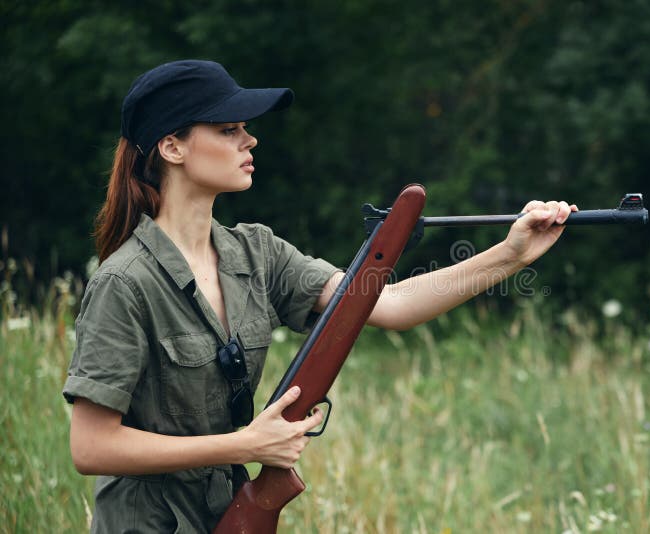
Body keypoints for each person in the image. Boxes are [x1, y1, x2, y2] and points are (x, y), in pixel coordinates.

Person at [63, 59, 576, 533]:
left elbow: (388, 303)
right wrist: (246, 445)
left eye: (245, 128)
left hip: (228, 515)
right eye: (228, 129)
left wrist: (511, 255)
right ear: (172, 147)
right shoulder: (124, 282)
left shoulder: (256, 253)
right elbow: (91, 446)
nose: (250, 141)